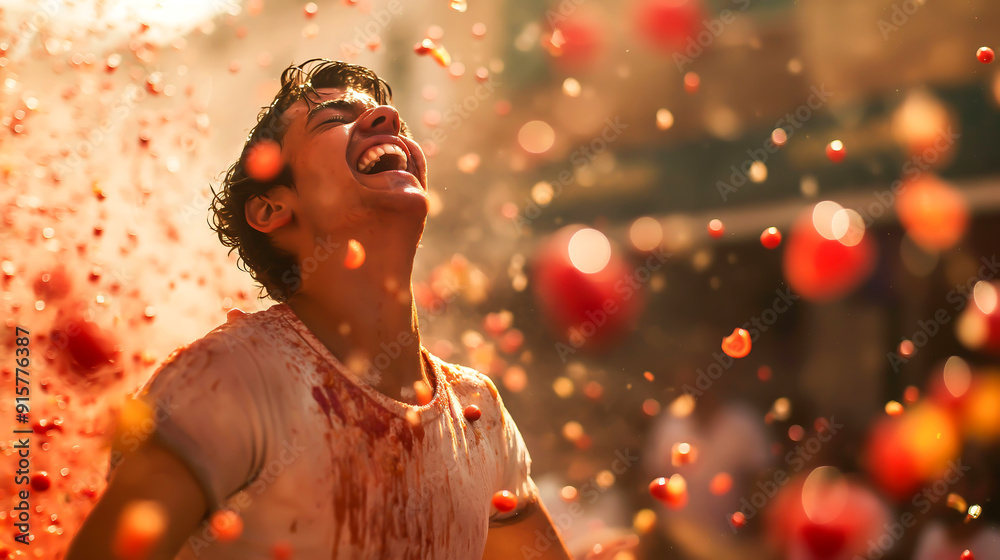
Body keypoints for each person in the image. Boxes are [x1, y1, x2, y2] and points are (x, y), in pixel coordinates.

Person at [67, 59, 571, 560]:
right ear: (272, 209)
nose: (389, 120)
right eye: (334, 119)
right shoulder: (230, 378)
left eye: (392, 117)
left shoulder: (476, 414)